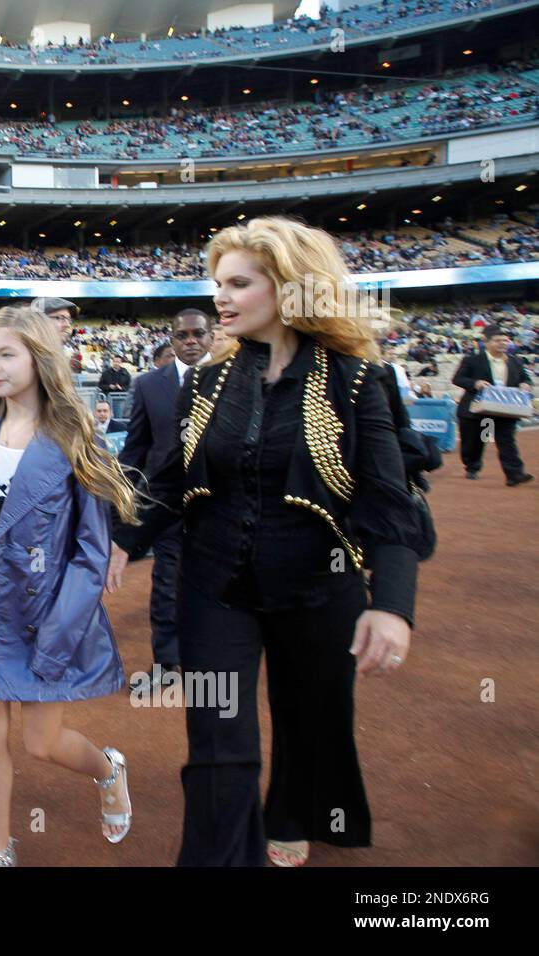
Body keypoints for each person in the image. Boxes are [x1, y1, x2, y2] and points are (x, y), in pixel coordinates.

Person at [107, 217, 422, 867]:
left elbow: (390, 505)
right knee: (219, 742)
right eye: (218, 283)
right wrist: (118, 542)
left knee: (312, 721)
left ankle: (295, 813)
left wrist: (391, 603)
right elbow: (168, 484)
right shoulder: (201, 383)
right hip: (215, 589)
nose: (220, 297)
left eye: (239, 283)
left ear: (292, 288)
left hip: (319, 587)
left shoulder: (358, 380)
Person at [0, 306, 136, 867]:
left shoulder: (76, 438)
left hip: (47, 613)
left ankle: (108, 769)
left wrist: (59, 633)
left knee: (40, 743)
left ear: (39, 359)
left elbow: (92, 554)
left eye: (7, 354)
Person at [118, 308, 212, 688]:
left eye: (197, 334)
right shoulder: (148, 385)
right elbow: (135, 448)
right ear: (171, 340)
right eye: (182, 335)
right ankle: (168, 664)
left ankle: (213, 659)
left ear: (210, 336)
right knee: (167, 580)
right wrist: (121, 494)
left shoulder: (234, 377)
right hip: (165, 506)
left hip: (217, 504)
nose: (190, 341)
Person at [451, 325, 534, 486]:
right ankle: (472, 467)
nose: (502, 343)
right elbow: (458, 379)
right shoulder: (472, 360)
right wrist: (476, 383)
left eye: (505, 340)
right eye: (497, 341)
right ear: (487, 343)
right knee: (474, 441)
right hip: (477, 409)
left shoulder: (515, 361)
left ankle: (514, 474)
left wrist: (525, 384)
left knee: (507, 441)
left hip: (504, 409)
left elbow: (526, 379)